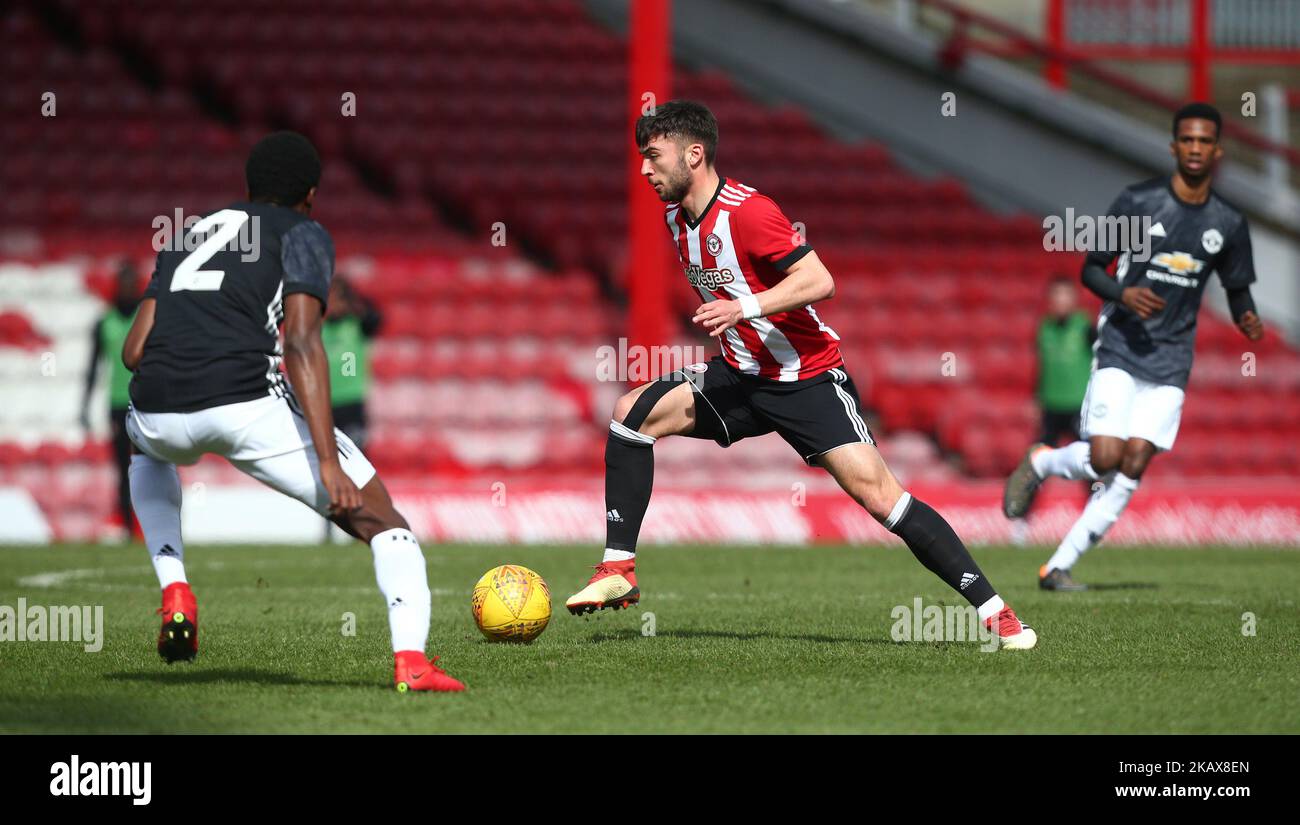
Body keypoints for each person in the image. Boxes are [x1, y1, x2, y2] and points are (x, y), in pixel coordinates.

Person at [565, 101, 1037, 649]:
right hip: (740, 377)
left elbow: (820, 280)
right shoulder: (676, 219)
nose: (644, 169)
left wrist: (745, 309)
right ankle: (618, 568)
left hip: (805, 380)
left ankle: (997, 612)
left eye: (653, 156)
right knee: (631, 415)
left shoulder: (749, 211)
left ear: (694, 154)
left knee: (884, 500)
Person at [121, 132, 463, 691]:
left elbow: (133, 351)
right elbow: (302, 343)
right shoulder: (304, 232)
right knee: (386, 525)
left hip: (156, 408)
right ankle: (412, 662)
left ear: (249, 188)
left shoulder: (189, 232)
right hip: (242, 402)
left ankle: (175, 587)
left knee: (142, 447)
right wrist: (329, 462)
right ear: (310, 196)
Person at [1003, 103, 1263, 591]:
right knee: (1105, 456)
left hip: (1172, 358)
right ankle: (1042, 462)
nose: (1194, 148)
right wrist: (1123, 293)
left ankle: (1058, 565)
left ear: (1217, 150)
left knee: (1135, 461)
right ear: (1173, 146)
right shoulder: (1139, 202)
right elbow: (1092, 268)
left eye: (1204, 141)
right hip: (1122, 345)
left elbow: (1237, 288)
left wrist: (1245, 315)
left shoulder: (1228, 223)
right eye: (1186, 139)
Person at [80, 260, 144, 539]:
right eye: (124, 284)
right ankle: (129, 527)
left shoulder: (147, 317)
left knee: (154, 465)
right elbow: (94, 366)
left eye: (132, 284)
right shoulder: (103, 323)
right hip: (117, 405)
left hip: (147, 402)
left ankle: (156, 526)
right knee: (123, 468)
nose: (128, 289)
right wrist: (83, 406)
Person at [320, 275, 381, 539]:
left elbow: (377, 318)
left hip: (352, 405)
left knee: (358, 466)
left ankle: (365, 522)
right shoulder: (316, 329)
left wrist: (354, 299)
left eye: (337, 298)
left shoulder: (358, 325)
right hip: (323, 407)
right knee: (327, 466)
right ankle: (330, 527)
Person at [1035, 277, 1093, 448]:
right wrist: (1037, 398)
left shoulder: (1085, 326)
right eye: (1056, 295)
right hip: (1051, 404)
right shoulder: (1045, 327)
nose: (1061, 300)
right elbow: (1042, 365)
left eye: (1065, 295)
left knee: (1088, 457)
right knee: (1041, 455)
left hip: (1078, 404)